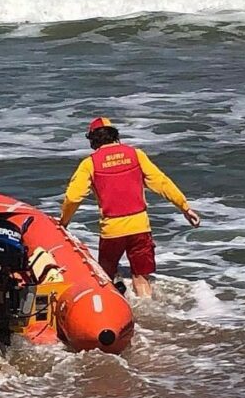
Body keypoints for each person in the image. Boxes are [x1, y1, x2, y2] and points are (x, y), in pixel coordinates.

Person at [60, 117, 200, 298]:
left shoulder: (90, 163)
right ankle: (151, 317)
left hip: (112, 230)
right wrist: (184, 207)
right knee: (141, 277)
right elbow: (161, 182)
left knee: (105, 277)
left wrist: (64, 221)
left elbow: (73, 197)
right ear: (115, 135)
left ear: (93, 140)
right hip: (140, 226)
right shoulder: (136, 154)